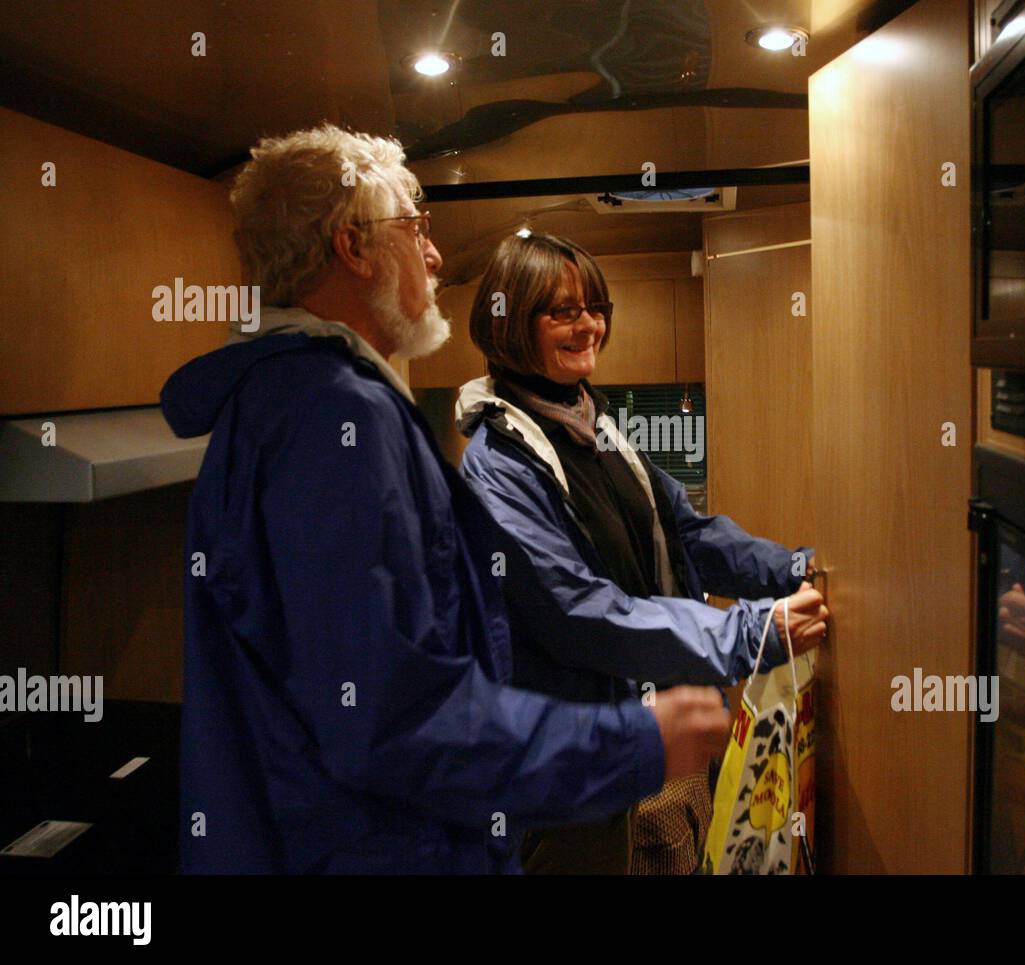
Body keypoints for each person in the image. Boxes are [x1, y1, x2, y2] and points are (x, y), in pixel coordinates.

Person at [159, 124, 730, 874]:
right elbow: (392, 716)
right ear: (354, 248)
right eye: (416, 227)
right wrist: (631, 741)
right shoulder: (333, 418)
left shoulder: (291, 401)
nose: (433, 255)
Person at [454, 232, 828, 874]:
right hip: (555, 768)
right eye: (561, 311)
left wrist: (794, 569)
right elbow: (579, 612)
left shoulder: (590, 427)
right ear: (511, 323)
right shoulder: (498, 468)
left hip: (616, 739)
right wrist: (751, 633)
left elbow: (687, 533)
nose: (588, 326)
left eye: (594, 307)